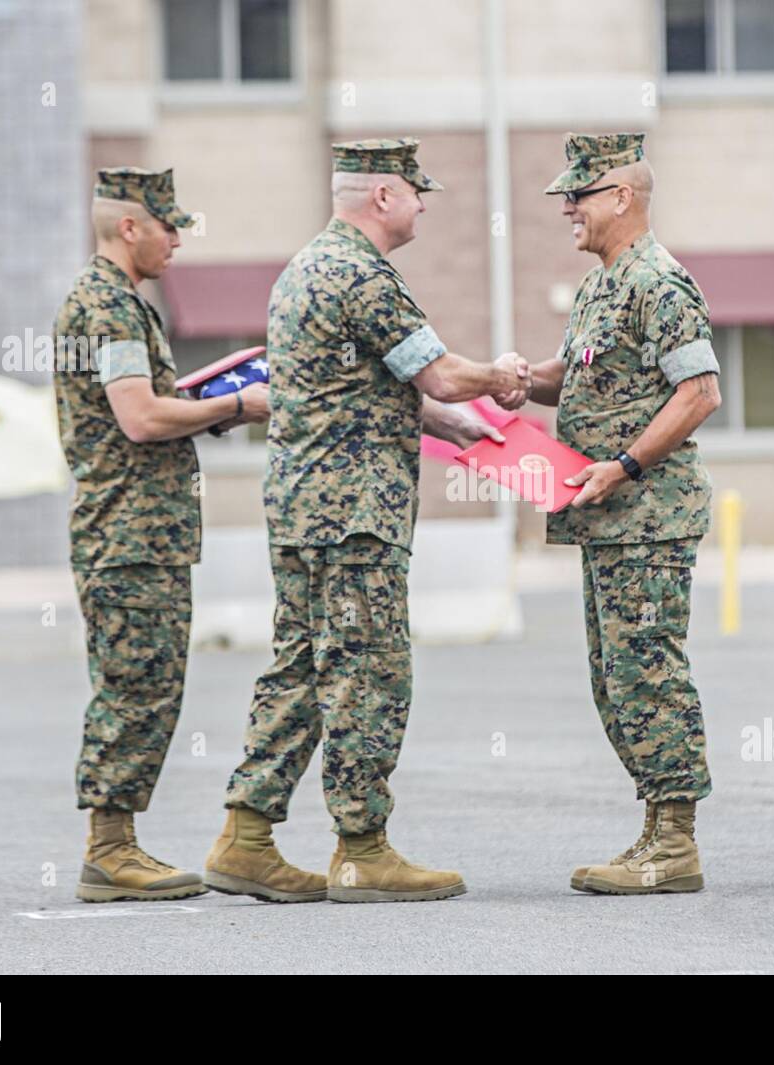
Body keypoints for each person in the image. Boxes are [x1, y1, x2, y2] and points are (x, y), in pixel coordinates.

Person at [203, 138, 530, 904]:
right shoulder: (364, 274)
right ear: (383, 196)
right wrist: (500, 375)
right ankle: (362, 847)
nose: (424, 204)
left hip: (301, 508)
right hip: (357, 516)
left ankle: (246, 835)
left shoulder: (304, 270)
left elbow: (355, 384)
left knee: (302, 666)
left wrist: (448, 425)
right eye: (418, 192)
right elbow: (441, 370)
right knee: (368, 672)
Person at [53, 167, 270, 902]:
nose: (178, 238)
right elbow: (140, 418)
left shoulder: (115, 304)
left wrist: (215, 405)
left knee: (145, 685)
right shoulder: (111, 309)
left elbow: (146, 405)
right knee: (135, 687)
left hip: (136, 531)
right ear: (129, 227)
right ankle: (109, 849)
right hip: (129, 533)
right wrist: (238, 402)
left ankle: (116, 842)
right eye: (169, 225)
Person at [524, 133, 721, 894]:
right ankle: (654, 828)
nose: (567, 208)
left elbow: (699, 391)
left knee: (647, 671)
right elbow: (576, 382)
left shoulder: (659, 282)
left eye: (578, 194)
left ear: (621, 198)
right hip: (607, 522)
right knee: (615, 677)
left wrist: (629, 463)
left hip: (648, 516)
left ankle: (676, 842)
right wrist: (517, 381)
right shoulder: (601, 287)